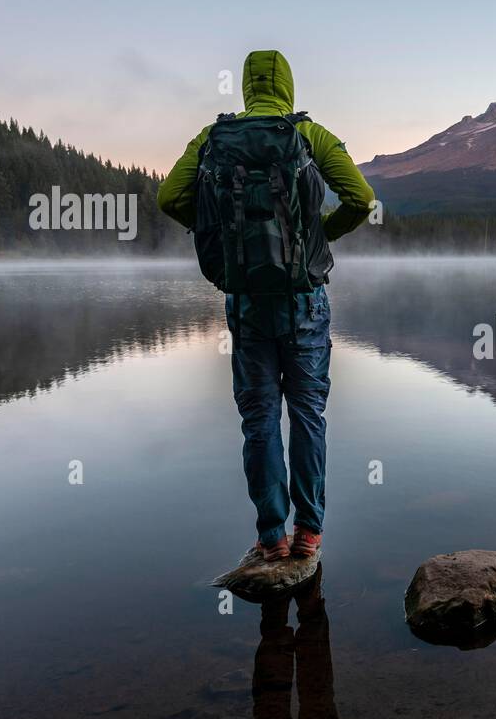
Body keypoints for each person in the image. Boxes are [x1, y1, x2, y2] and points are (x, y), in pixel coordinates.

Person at [158, 50, 373, 561]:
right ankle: (310, 533)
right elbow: (361, 199)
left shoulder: (214, 138)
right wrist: (320, 235)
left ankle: (271, 535)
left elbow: (169, 197)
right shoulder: (308, 134)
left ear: (247, 88)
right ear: (288, 86)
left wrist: (214, 229)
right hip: (304, 299)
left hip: (248, 302)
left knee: (258, 419)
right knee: (307, 414)